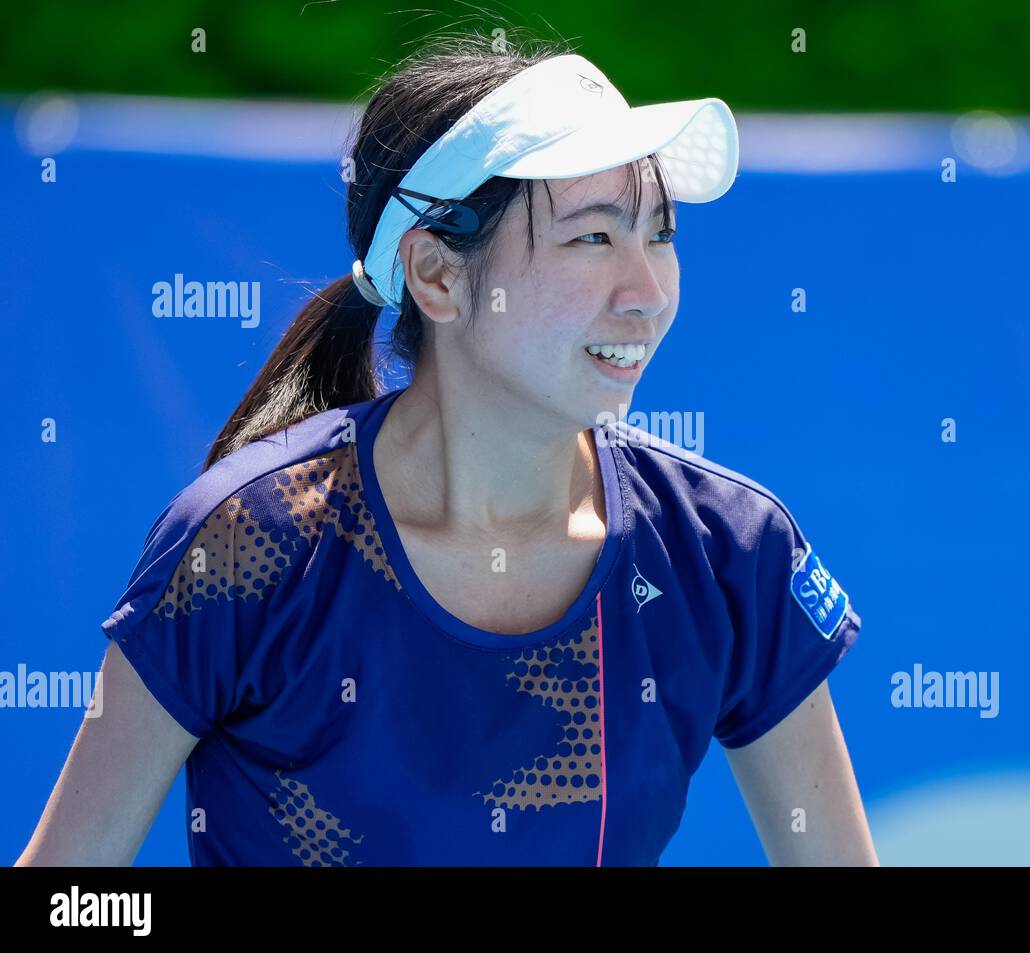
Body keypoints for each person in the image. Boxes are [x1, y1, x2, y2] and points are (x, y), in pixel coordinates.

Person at [17, 33, 878, 867]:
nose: (648, 294)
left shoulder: (730, 551)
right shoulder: (247, 547)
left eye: (660, 233)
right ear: (434, 275)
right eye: (593, 237)